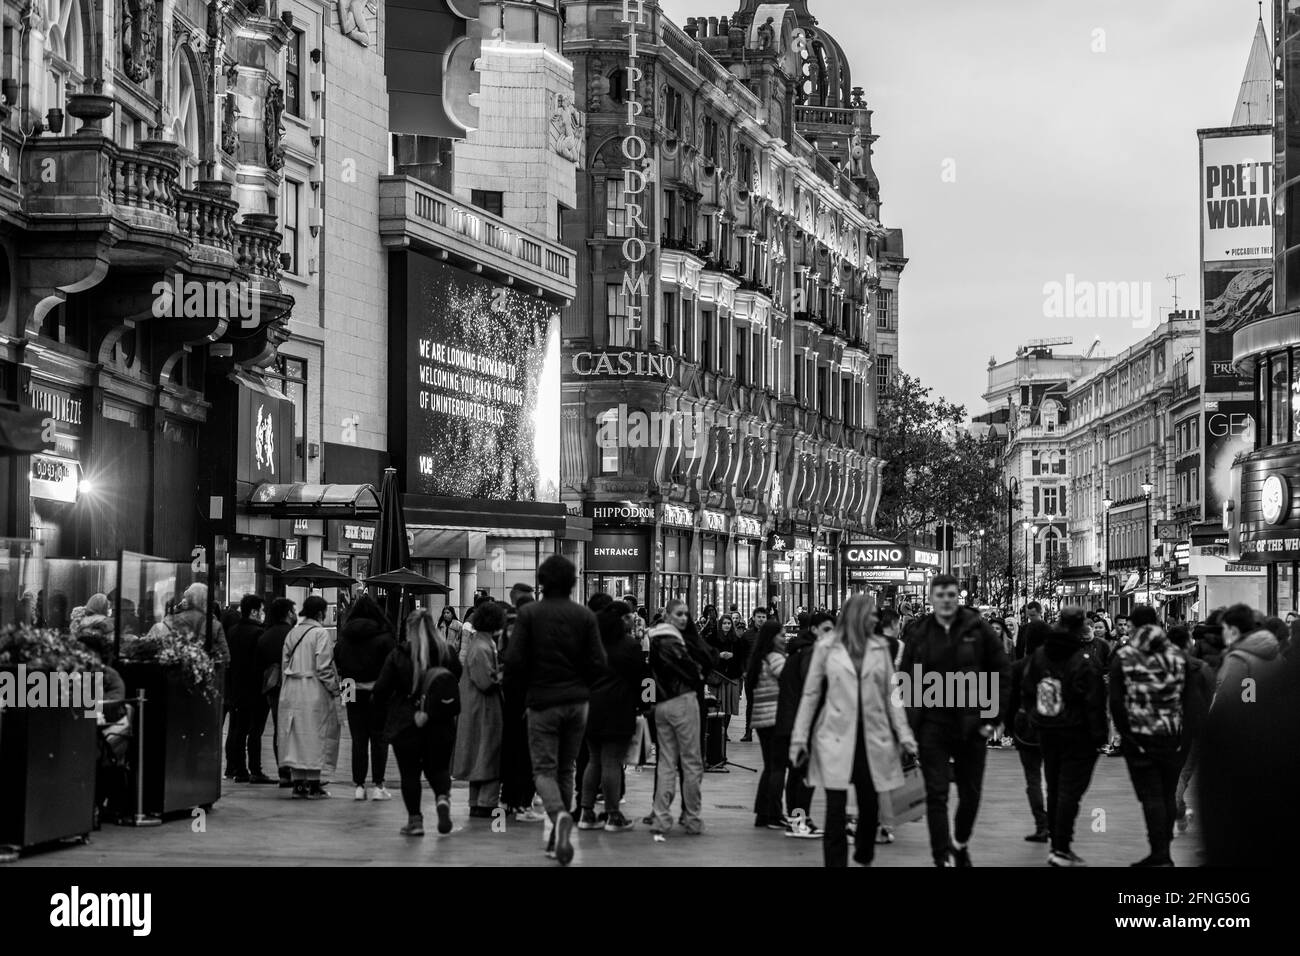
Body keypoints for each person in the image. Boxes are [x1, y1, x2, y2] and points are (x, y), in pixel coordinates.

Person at [791, 594, 917, 867]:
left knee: (870, 806)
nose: (875, 618)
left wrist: (905, 736)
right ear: (856, 615)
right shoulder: (826, 647)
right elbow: (811, 695)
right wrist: (799, 738)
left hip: (872, 736)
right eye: (871, 613)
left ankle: (864, 854)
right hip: (835, 735)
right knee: (835, 810)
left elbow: (891, 695)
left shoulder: (879, 648)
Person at [897, 574, 1010, 867]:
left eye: (951, 594)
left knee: (971, 794)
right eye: (940, 595)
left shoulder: (978, 629)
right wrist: (909, 726)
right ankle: (941, 856)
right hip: (932, 725)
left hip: (972, 725)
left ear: (957, 596)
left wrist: (993, 717)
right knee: (936, 794)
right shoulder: (919, 632)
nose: (946, 600)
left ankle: (959, 842)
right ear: (932, 598)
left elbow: (1001, 673)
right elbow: (906, 681)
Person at [504, 554, 605, 865]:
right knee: (566, 768)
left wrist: (524, 694)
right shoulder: (585, 616)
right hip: (578, 703)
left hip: (542, 701)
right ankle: (554, 836)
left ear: (542, 582)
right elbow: (599, 663)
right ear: (573, 581)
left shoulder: (530, 615)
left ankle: (559, 816)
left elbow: (515, 661)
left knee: (543, 771)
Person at [1022, 608, 1107, 866]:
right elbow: (1093, 699)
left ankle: (1057, 845)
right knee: (1070, 789)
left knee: (1055, 784)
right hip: (1077, 732)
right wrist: (1099, 734)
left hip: (1048, 730)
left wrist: (1036, 719)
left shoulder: (1040, 655)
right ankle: (1061, 847)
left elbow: (1028, 689)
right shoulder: (1082, 658)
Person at [1109, 612, 1188, 866]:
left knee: (1151, 796)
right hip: (1171, 734)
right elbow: (1189, 698)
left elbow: (1116, 702)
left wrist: (1127, 735)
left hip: (1141, 736)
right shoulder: (1178, 657)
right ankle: (1164, 851)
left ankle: (1159, 853)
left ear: (1133, 628)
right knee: (1167, 794)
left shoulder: (1125, 657)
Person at [374, 609, 461, 836]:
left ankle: (415, 821)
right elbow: (455, 678)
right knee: (439, 768)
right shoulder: (447, 652)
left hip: (407, 722)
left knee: (410, 773)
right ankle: (442, 799)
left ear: (408, 629)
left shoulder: (399, 654)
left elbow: (382, 689)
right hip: (440, 721)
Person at [578, 601, 647, 832]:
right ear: (621, 620)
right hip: (619, 709)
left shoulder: (590, 644)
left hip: (590, 708)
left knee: (593, 760)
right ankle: (613, 815)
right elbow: (643, 680)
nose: (632, 619)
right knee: (611, 762)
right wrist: (646, 704)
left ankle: (586, 813)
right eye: (628, 616)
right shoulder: (630, 646)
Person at [647, 599, 712, 839]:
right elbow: (694, 670)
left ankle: (661, 816)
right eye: (679, 614)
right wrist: (698, 672)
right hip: (683, 701)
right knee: (691, 761)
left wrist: (648, 701)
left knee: (666, 762)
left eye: (686, 614)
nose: (684, 618)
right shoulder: (675, 640)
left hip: (662, 704)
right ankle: (692, 818)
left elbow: (649, 675)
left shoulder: (652, 637)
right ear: (668, 615)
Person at [773, 610, 833, 839]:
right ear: (815, 630)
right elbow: (812, 691)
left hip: (792, 720)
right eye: (827, 630)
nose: (831, 635)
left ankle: (798, 819)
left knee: (800, 775)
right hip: (800, 723)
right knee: (803, 777)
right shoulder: (810, 653)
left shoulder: (800, 650)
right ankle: (798, 820)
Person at [277, 595, 342, 799]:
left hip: (290, 690)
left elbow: (284, 665)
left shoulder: (292, 633)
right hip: (313, 690)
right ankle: (314, 784)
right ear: (321, 613)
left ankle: (298, 784)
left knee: (295, 737)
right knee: (315, 737)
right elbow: (323, 667)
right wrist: (334, 688)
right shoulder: (320, 634)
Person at [336, 593, 397, 800]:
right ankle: (378, 786)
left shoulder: (345, 634)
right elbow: (392, 664)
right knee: (379, 739)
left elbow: (339, 659)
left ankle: (359, 786)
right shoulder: (384, 634)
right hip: (378, 691)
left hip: (351, 688)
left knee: (358, 740)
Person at [454, 601, 506, 817]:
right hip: (484, 709)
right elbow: (486, 682)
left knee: (477, 754)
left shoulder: (479, 644)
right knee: (489, 753)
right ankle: (486, 802)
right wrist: (504, 674)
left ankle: (476, 801)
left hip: (473, 707)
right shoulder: (484, 647)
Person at [500, 592, 543, 823]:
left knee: (511, 750)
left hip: (510, 703)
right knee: (526, 755)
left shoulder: (508, 635)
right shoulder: (529, 638)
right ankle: (522, 804)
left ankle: (508, 799)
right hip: (525, 704)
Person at [1005, 620, 1050, 843]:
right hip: (1055, 727)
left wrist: (1010, 727)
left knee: (1033, 778)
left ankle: (1041, 824)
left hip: (1026, 727)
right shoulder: (1060, 665)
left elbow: (1010, 700)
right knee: (1055, 776)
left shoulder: (1020, 666)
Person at [1168, 624, 1212, 835]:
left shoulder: (1157, 666)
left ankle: (1179, 811)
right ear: (1188, 642)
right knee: (1182, 774)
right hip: (1193, 729)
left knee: (1174, 774)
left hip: (1165, 729)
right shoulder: (1200, 667)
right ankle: (1178, 809)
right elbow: (1210, 697)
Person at [224, 595, 272, 783]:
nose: (263, 614)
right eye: (261, 610)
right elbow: (261, 662)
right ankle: (255, 770)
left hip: (237, 687)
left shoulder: (233, 631)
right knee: (255, 731)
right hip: (255, 689)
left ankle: (239, 769)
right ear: (253, 611)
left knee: (239, 729)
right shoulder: (259, 633)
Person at [747, 619, 788, 829]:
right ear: (772, 638)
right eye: (781, 635)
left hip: (762, 719)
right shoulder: (775, 658)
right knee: (777, 767)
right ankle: (774, 813)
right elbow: (789, 679)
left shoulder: (759, 658)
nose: (784, 638)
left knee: (769, 767)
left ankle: (762, 813)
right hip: (774, 718)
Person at [256, 598, 297, 786]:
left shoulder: (265, 635)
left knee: (278, 727)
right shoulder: (292, 634)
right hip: (292, 684)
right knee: (295, 728)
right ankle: (295, 769)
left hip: (272, 686)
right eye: (293, 610)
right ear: (288, 613)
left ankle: (283, 770)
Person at [1212, 603, 1284, 709]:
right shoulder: (1278, 656)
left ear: (1234, 631)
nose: (1223, 633)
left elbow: (1225, 702)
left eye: (1224, 628)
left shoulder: (1238, 660)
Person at [703, 613, 743, 740]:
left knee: (729, 706)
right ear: (720, 625)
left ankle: (724, 731)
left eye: (729, 623)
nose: (727, 625)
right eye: (724, 623)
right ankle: (717, 732)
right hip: (717, 676)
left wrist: (733, 656)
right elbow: (707, 654)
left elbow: (741, 657)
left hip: (731, 676)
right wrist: (718, 655)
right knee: (718, 705)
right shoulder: (712, 638)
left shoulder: (736, 640)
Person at [739, 606, 769, 741]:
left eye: (763, 617)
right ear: (754, 618)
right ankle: (748, 732)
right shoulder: (747, 635)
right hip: (751, 674)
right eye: (759, 617)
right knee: (750, 703)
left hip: (767, 675)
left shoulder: (771, 634)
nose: (761, 619)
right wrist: (744, 671)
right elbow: (742, 655)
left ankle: (767, 733)